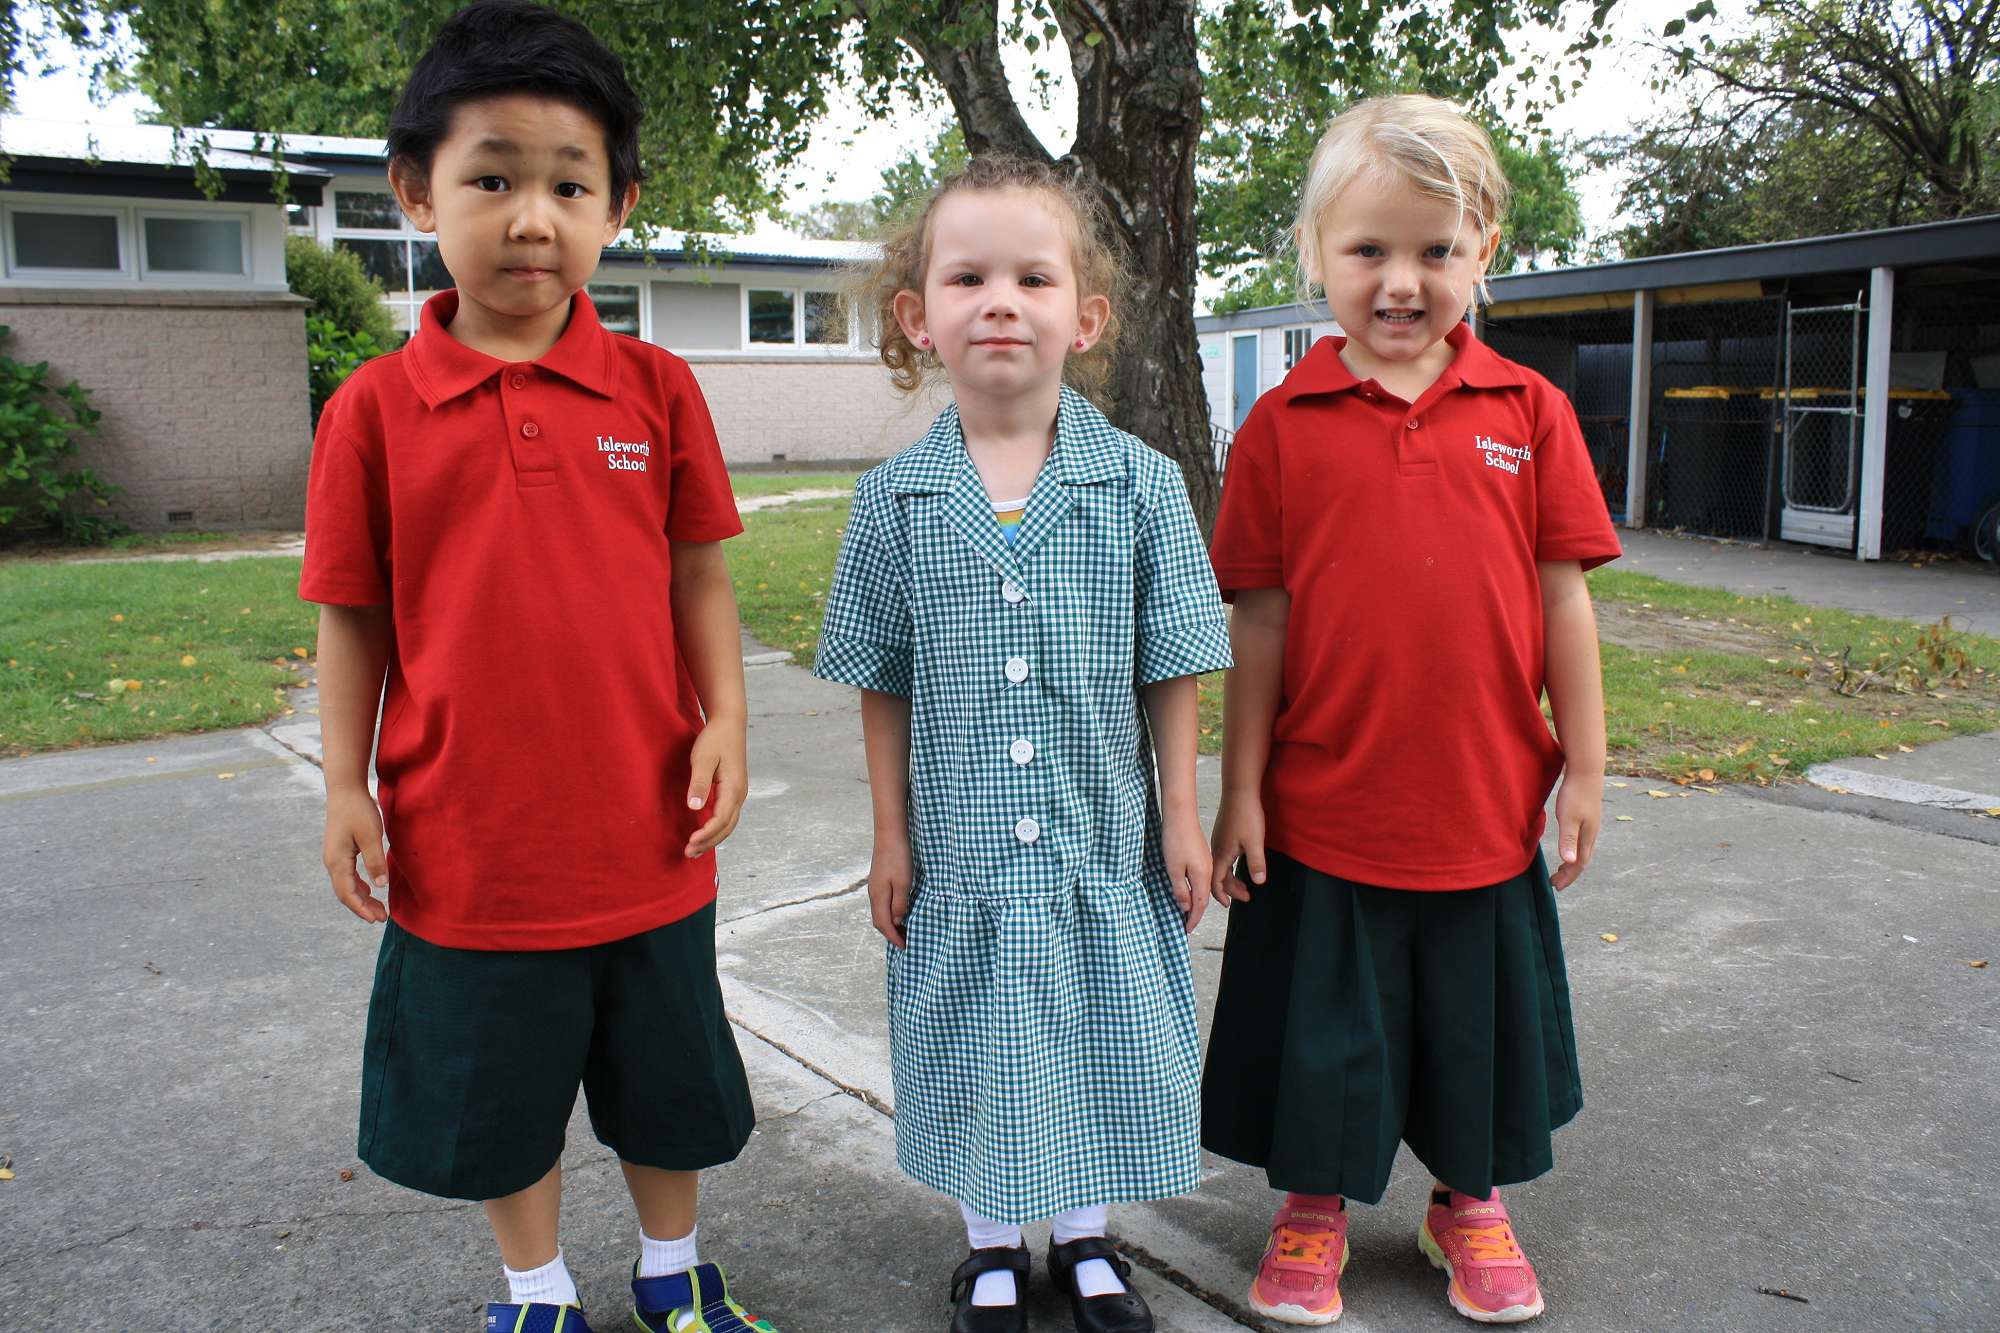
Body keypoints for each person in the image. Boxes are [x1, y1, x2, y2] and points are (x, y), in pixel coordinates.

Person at [300, 4, 777, 1329]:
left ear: (617, 204)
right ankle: (537, 1289)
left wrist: (727, 715)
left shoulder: (657, 388)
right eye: (492, 177)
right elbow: (352, 614)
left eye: (569, 184)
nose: (530, 218)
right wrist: (347, 787)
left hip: (647, 829)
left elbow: (698, 571)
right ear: (415, 193)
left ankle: (676, 1274)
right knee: (503, 1093)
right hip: (472, 840)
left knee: (667, 1078)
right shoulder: (373, 413)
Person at [1200, 94, 1622, 1327]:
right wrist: (1239, 790)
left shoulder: (1526, 413)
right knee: (1326, 1025)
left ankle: (1466, 1198)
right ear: (1314, 256)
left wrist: (1584, 770)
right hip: (1325, 799)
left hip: (1482, 799)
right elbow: (1259, 622)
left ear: (1484, 249)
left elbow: (1565, 607)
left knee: (1468, 1023)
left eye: (1435, 251)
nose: (1400, 281)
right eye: (1367, 250)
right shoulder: (1281, 427)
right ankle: (1316, 1206)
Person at [812, 156, 1232, 1333]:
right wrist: (889, 831)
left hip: (1100, 836)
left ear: (1083, 317)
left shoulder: (1140, 487)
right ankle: (990, 1245)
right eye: (968, 276)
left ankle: (1088, 1237)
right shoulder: (895, 502)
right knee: (979, 1031)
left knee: (1096, 1023)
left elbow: (1174, 659)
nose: (1000, 299)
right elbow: (880, 680)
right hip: (964, 851)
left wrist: (1181, 814)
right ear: (918, 318)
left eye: (1032, 276)